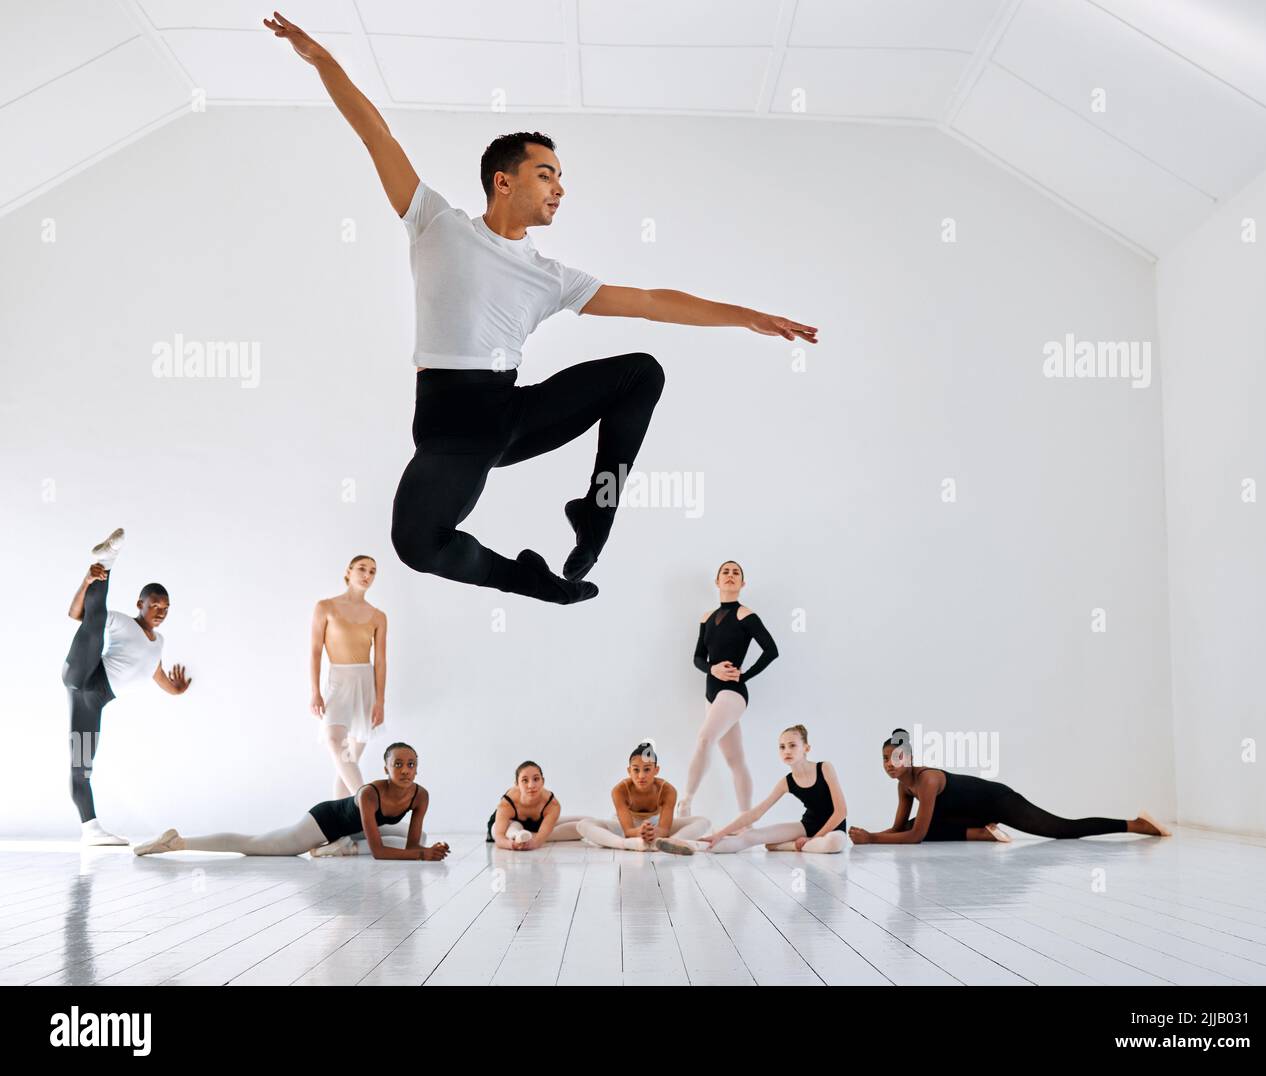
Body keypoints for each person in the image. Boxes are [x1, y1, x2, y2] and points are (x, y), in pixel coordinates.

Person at [262, 13, 819, 604]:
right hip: (451, 427)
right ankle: (531, 579)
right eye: (546, 173)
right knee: (417, 545)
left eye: (561, 177)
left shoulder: (551, 278)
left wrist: (748, 316)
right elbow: (376, 134)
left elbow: (653, 303)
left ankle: (597, 510)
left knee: (641, 373)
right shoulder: (435, 223)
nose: (560, 188)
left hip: (511, 413)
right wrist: (322, 59)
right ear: (503, 182)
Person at [62, 529, 190, 845]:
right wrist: (87, 583)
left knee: (82, 767)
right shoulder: (122, 622)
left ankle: (91, 830)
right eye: (155, 606)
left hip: (92, 701)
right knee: (94, 623)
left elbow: (155, 673)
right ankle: (106, 561)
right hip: (84, 673)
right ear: (140, 604)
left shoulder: (158, 642)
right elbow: (77, 615)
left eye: (166, 608)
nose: (160, 612)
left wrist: (176, 689)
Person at [849, 729, 1173, 844]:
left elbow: (917, 837)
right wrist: (872, 834)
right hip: (970, 814)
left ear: (910, 758)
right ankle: (979, 832)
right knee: (909, 825)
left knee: (1063, 829)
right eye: (885, 759)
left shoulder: (927, 780)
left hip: (998, 800)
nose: (889, 764)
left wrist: (872, 840)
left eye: (896, 758)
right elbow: (899, 829)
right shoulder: (904, 786)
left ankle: (1136, 823)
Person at [134, 742, 449, 860]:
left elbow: (412, 845)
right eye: (398, 764)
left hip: (350, 830)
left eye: (411, 764)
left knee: (420, 836)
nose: (405, 770)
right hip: (323, 822)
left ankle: (342, 847)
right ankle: (179, 843)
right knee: (254, 845)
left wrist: (425, 850)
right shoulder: (370, 793)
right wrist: (423, 856)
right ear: (386, 768)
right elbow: (379, 852)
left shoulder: (420, 795)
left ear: (417, 768)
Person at [677, 561, 778, 818]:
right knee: (735, 760)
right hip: (711, 693)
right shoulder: (707, 618)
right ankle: (746, 819)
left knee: (704, 739)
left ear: (742, 583)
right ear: (717, 581)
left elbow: (771, 650)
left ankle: (685, 802)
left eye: (736, 573)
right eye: (725, 572)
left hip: (733, 693)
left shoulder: (746, 615)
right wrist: (713, 669)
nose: (730, 575)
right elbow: (698, 658)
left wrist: (744, 675)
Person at [697, 725, 849, 854]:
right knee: (750, 835)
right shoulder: (786, 782)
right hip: (806, 826)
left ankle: (789, 846)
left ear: (806, 748)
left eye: (792, 745)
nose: (786, 751)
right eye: (782, 747)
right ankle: (699, 846)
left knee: (833, 843)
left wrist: (813, 839)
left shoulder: (825, 768)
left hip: (834, 828)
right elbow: (756, 813)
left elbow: (841, 811)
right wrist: (720, 834)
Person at [310, 555, 387, 797]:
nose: (367, 575)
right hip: (337, 681)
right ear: (349, 571)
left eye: (372, 571)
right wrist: (315, 692)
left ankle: (343, 820)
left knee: (348, 759)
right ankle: (367, 805)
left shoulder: (378, 616)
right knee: (335, 741)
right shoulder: (325, 607)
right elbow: (315, 651)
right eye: (362, 568)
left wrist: (380, 701)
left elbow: (381, 661)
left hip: (365, 683)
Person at [576, 740, 711, 854]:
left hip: (655, 826)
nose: (641, 776)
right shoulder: (619, 790)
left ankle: (671, 842)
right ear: (629, 771)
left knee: (703, 821)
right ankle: (626, 844)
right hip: (623, 827)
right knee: (583, 824)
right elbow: (628, 830)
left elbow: (664, 829)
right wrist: (637, 832)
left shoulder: (668, 790)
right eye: (636, 770)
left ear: (656, 770)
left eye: (647, 769)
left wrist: (656, 832)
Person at [487, 761, 585, 850]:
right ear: (517, 784)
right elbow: (499, 838)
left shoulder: (552, 805)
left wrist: (535, 842)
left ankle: (525, 835)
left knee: (585, 820)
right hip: (506, 828)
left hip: (534, 828)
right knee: (515, 825)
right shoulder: (507, 804)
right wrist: (512, 845)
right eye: (525, 780)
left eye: (536, 779)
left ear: (543, 781)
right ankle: (518, 836)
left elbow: (538, 840)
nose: (531, 785)